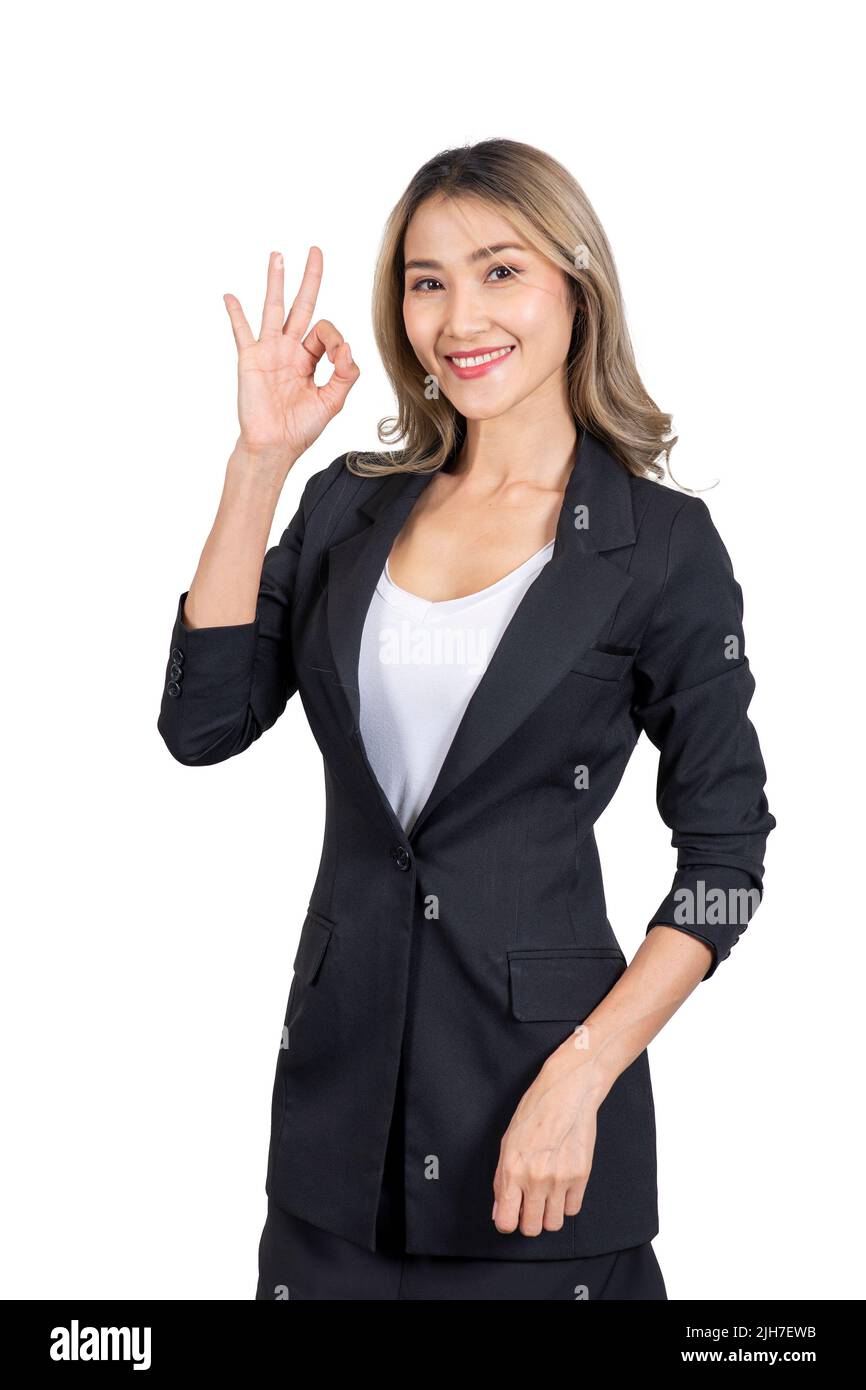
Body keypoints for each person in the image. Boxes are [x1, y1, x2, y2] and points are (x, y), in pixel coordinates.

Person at [157, 139, 775, 1301]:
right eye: (426, 279)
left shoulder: (657, 548)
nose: (458, 316)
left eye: (499, 271)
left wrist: (581, 1071)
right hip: (334, 1149)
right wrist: (259, 464)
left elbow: (727, 863)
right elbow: (202, 721)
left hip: (533, 1146)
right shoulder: (349, 505)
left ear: (575, 288)